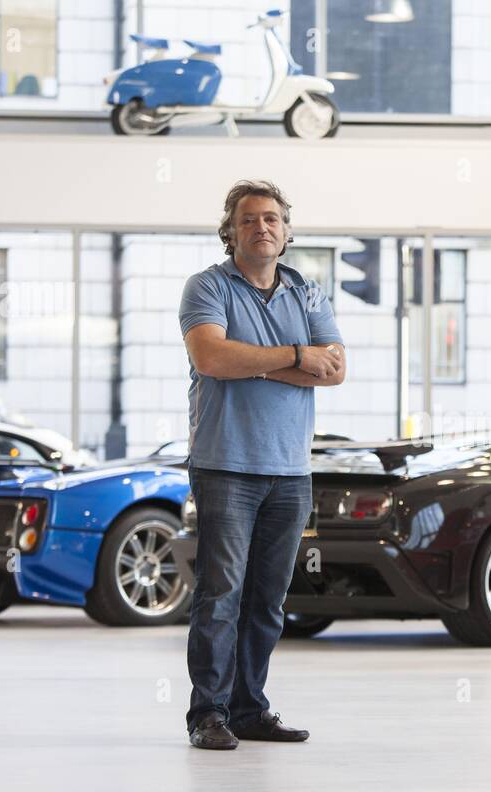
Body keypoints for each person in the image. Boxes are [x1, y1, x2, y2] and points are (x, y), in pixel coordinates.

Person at [179, 179, 345, 750]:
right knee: (220, 594)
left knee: (267, 601)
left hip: (290, 469)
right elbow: (211, 355)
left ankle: (250, 709)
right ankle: (209, 714)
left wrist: (252, 363)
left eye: (272, 218)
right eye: (249, 219)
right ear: (231, 230)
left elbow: (337, 368)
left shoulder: (308, 293)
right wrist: (297, 356)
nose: (262, 227)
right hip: (225, 465)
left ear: (287, 230)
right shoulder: (207, 287)